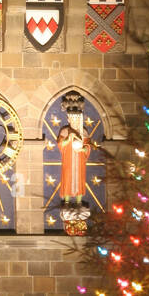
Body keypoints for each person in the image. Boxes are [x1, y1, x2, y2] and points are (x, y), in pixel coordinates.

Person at [56, 91, 91, 234]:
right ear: (69, 119)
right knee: (68, 179)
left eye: (77, 118)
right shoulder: (65, 130)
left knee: (79, 181)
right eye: (72, 118)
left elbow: (88, 146)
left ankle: (78, 202)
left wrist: (84, 149)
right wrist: (68, 138)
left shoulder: (83, 131)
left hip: (79, 160)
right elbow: (60, 145)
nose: (74, 121)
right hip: (69, 160)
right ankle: (66, 202)